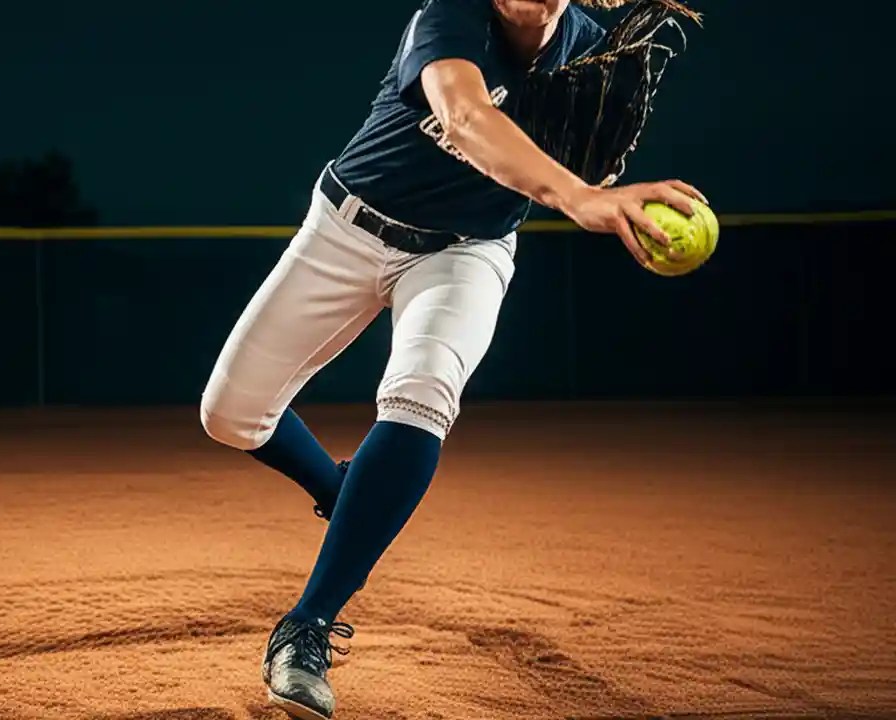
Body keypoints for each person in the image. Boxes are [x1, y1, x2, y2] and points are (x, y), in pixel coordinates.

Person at [199, 0, 705, 717]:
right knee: (229, 414)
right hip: (345, 229)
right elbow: (465, 116)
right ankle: (350, 496)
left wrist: (589, 179)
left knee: (421, 395)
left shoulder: (593, 52)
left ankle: (307, 623)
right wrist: (577, 194)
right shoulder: (447, 19)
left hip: (465, 252)